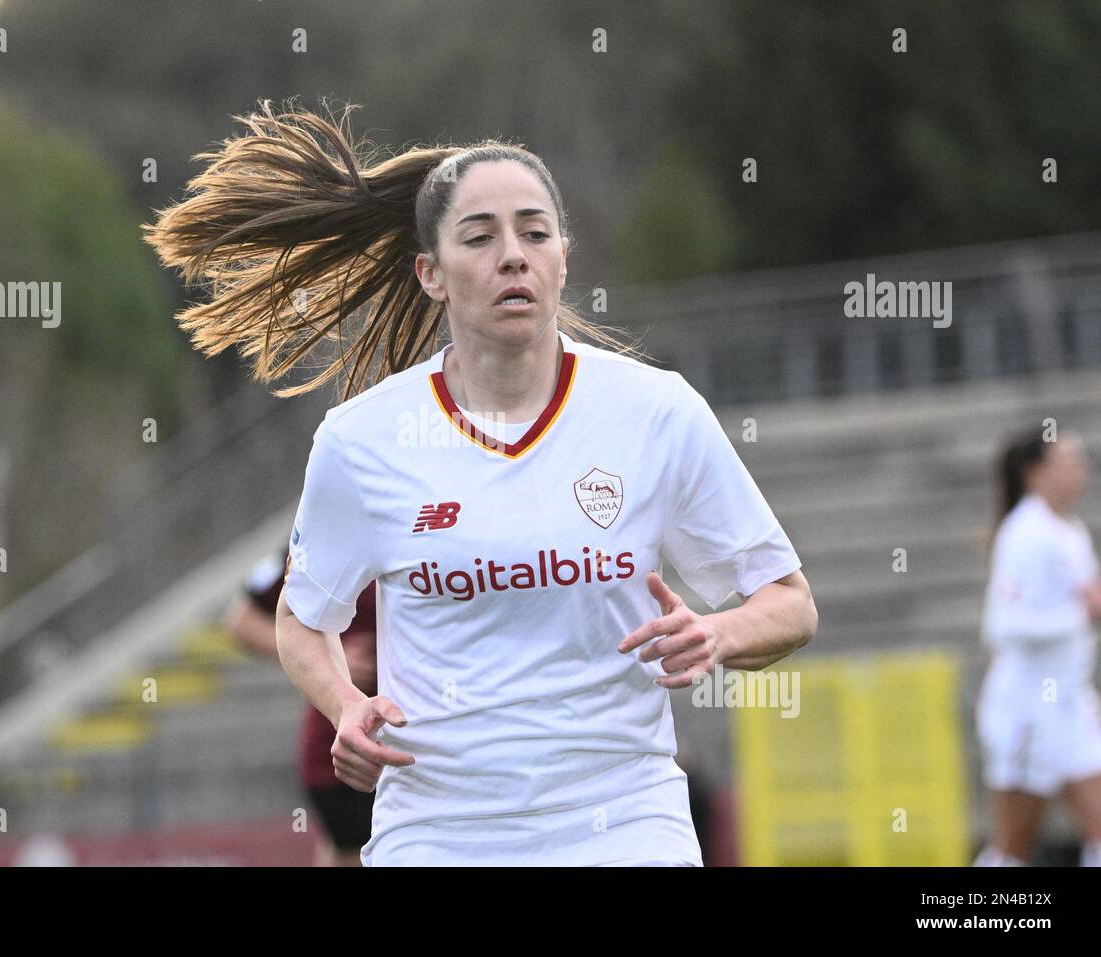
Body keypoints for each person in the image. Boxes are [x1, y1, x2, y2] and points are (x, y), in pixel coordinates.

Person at [144, 98, 818, 866]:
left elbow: (790, 603)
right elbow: (302, 620)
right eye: (480, 236)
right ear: (430, 272)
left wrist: (716, 632)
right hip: (439, 834)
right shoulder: (363, 441)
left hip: (624, 822)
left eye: (535, 232)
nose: (513, 255)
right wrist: (347, 707)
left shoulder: (655, 411)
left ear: (564, 254)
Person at [973, 428, 1101, 867]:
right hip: (1027, 707)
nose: (1079, 473)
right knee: (1013, 849)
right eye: (1068, 463)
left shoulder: (1072, 532)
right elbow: (1004, 626)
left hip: (1070, 704)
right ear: (1035, 474)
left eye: (1081, 462)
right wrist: (1081, 615)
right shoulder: (1025, 533)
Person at [223, 544, 379, 866]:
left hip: (420, 736)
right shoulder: (327, 522)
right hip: (343, 744)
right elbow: (241, 620)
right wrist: (334, 665)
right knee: (356, 848)